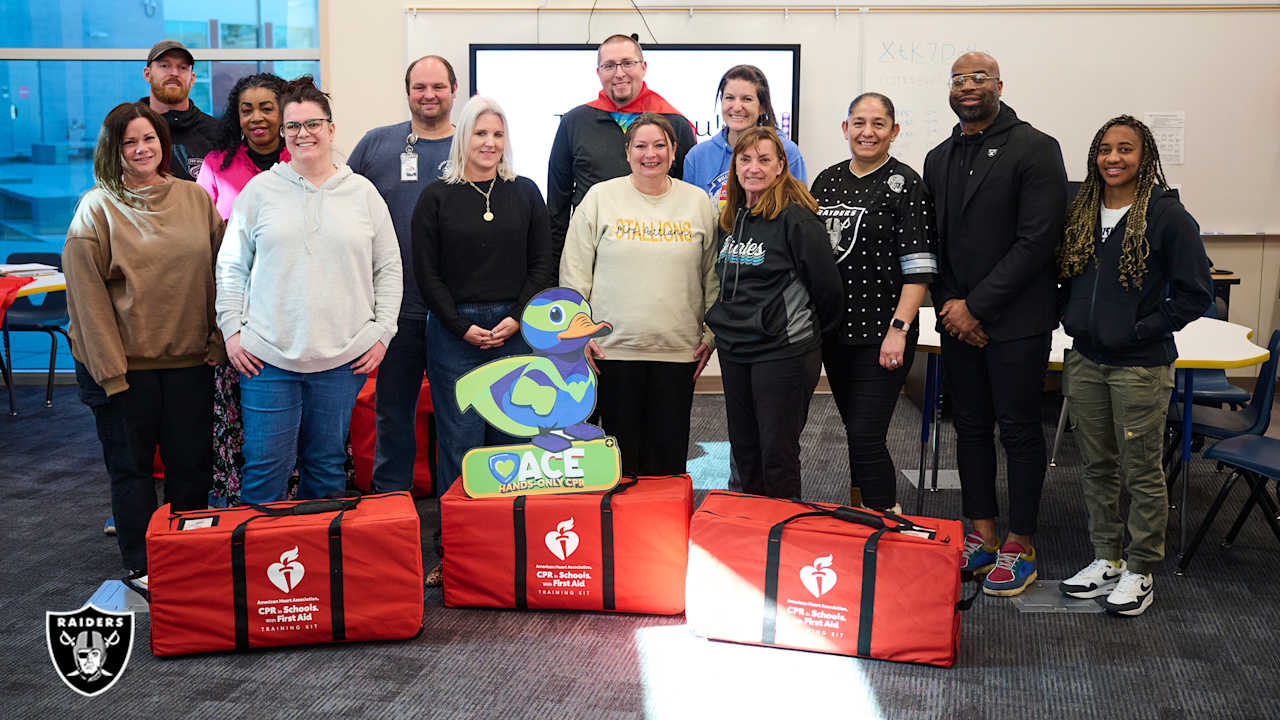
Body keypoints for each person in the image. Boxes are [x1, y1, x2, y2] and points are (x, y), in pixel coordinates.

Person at [216, 77, 402, 505]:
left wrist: (382, 332)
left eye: (312, 124)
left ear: (331, 129)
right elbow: (230, 267)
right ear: (283, 133)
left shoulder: (362, 193)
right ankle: (261, 566)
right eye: (293, 126)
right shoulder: (260, 192)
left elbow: (389, 269)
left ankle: (318, 566)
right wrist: (232, 330)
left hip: (341, 359)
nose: (303, 134)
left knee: (326, 464)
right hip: (268, 356)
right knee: (266, 466)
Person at [63, 101, 224, 595]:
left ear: (162, 144)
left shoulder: (195, 200)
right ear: (113, 150)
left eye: (149, 139)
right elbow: (87, 301)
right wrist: (111, 374)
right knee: (131, 474)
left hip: (190, 363)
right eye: (129, 141)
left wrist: (218, 342)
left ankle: (191, 557)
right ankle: (142, 567)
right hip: (123, 370)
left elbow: (224, 272)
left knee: (192, 470)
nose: (141, 149)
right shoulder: (97, 208)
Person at [923, 52, 1067, 597]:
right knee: (971, 428)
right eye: (958, 79)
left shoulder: (1035, 148)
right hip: (958, 321)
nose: (967, 86)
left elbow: (1036, 242)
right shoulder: (939, 157)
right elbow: (931, 244)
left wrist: (975, 307)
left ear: (999, 85)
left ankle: (1020, 543)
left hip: (1016, 321)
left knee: (1020, 430)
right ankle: (982, 534)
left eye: (978, 78)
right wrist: (952, 306)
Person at [1057, 115, 1211, 616]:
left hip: (1140, 366)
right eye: (1105, 148)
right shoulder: (1081, 210)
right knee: (1097, 466)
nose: (1113, 158)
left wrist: (1140, 329)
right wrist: (1070, 315)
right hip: (1085, 360)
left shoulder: (1167, 217)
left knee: (1141, 470)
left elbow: (1194, 294)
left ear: (1144, 158)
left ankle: (1141, 570)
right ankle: (1106, 557)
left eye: (1126, 149)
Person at [412, 95, 553, 585]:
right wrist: (459, 325)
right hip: (455, 333)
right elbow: (426, 273)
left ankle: (508, 545)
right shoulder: (436, 196)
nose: (489, 143)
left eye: (497, 134)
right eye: (480, 134)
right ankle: (457, 551)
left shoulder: (526, 192)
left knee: (512, 438)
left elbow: (542, 263)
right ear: (463, 138)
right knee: (461, 441)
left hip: (516, 330)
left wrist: (517, 318)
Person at [560, 112, 719, 477]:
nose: (652, 154)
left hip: (678, 354)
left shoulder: (697, 203)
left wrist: (711, 336)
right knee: (620, 464)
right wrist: (577, 332)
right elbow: (574, 272)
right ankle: (619, 533)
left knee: (667, 463)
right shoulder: (600, 198)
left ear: (674, 150)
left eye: (660, 145)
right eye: (642, 146)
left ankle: (664, 535)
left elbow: (712, 277)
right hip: (611, 352)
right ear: (627, 151)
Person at [810, 92, 938, 513]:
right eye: (859, 123)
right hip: (834, 332)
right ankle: (860, 511)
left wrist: (898, 331)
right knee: (854, 430)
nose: (868, 132)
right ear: (845, 128)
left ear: (894, 131)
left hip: (884, 334)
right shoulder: (826, 180)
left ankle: (888, 520)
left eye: (879, 123)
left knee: (865, 433)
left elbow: (918, 269)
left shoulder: (907, 184)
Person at [704, 126, 842, 500]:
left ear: (781, 166)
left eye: (765, 160)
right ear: (734, 167)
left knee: (777, 455)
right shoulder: (734, 218)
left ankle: (781, 541)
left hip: (783, 352)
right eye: (745, 159)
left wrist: (799, 335)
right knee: (745, 452)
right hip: (736, 350)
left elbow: (829, 291)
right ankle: (750, 537)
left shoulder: (797, 219)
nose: (754, 168)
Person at [349, 55, 457, 493]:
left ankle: (458, 512)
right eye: (419, 87)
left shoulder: (471, 146)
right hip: (393, 312)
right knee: (393, 414)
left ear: (453, 89)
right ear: (407, 90)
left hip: (456, 314)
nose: (428, 95)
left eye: (437, 87)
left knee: (458, 418)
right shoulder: (377, 145)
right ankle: (387, 511)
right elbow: (342, 202)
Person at [195, 72, 289, 506]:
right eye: (246, 109)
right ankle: (244, 513)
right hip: (238, 315)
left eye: (266, 107)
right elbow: (204, 238)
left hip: (294, 312)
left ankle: (300, 508)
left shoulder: (302, 158)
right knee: (246, 423)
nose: (257, 117)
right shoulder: (217, 164)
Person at [547, 34, 697, 271]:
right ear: (598, 72)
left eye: (628, 63)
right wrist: (555, 268)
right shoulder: (574, 122)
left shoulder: (675, 124)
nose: (619, 73)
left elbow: (689, 198)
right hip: (593, 258)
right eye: (609, 66)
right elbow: (557, 205)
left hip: (662, 256)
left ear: (644, 67)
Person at [683, 64, 806, 209]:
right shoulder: (697, 157)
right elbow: (690, 216)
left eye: (746, 99)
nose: (736, 107)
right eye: (729, 98)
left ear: (762, 107)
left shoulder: (787, 151)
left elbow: (799, 212)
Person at [140, 40, 219, 181]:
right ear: (147, 74)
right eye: (164, 65)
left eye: (183, 67)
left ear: (192, 78)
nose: (174, 73)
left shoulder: (215, 132)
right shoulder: (127, 128)